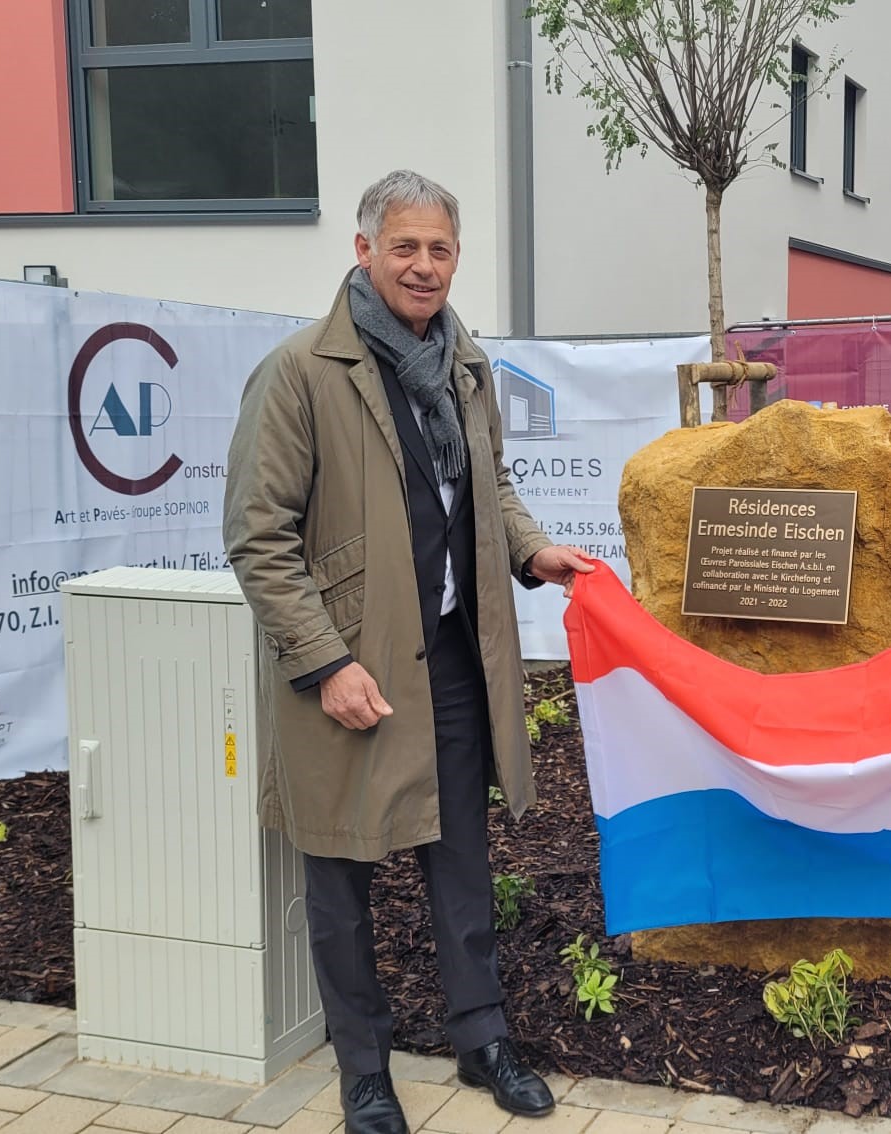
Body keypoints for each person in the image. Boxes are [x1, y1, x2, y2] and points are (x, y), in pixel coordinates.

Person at [224, 169, 592, 1134]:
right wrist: (324, 663)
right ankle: (364, 1071)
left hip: (455, 658)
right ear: (364, 252)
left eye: (439, 249)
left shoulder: (464, 367)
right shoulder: (301, 372)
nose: (423, 266)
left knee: (461, 863)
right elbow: (258, 536)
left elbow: (489, 489)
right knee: (341, 878)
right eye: (404, 248)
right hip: (350, 666)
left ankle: (483, 1041)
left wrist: (531, 549)